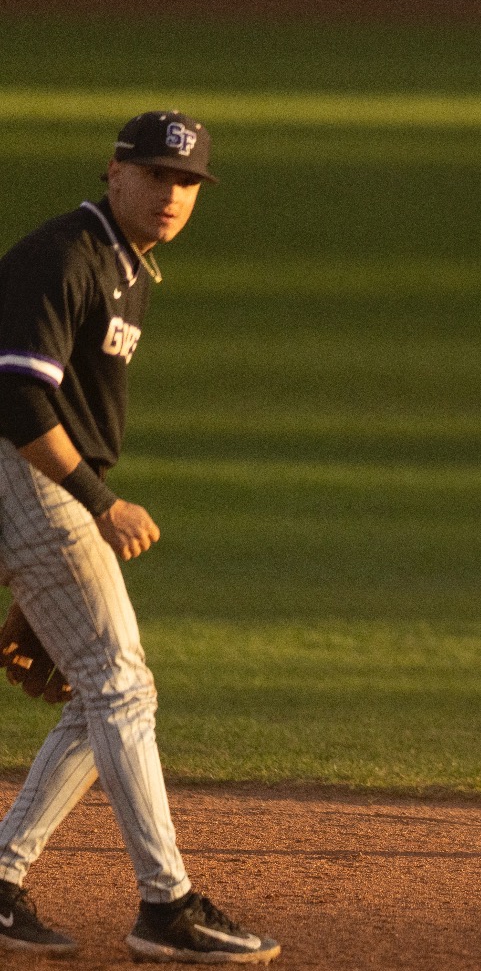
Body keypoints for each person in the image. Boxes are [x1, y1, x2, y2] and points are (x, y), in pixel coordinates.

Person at [0, 112, 279, 962]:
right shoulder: (68, 253)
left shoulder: (130, 270)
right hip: (37, 472)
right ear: (113, 173)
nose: (172, 194)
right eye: (156, 175)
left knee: (107, 690)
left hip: (36, 483)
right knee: (119, 682)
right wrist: (98, 500)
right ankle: (167, 904)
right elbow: (15, 401)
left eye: (187, 181)